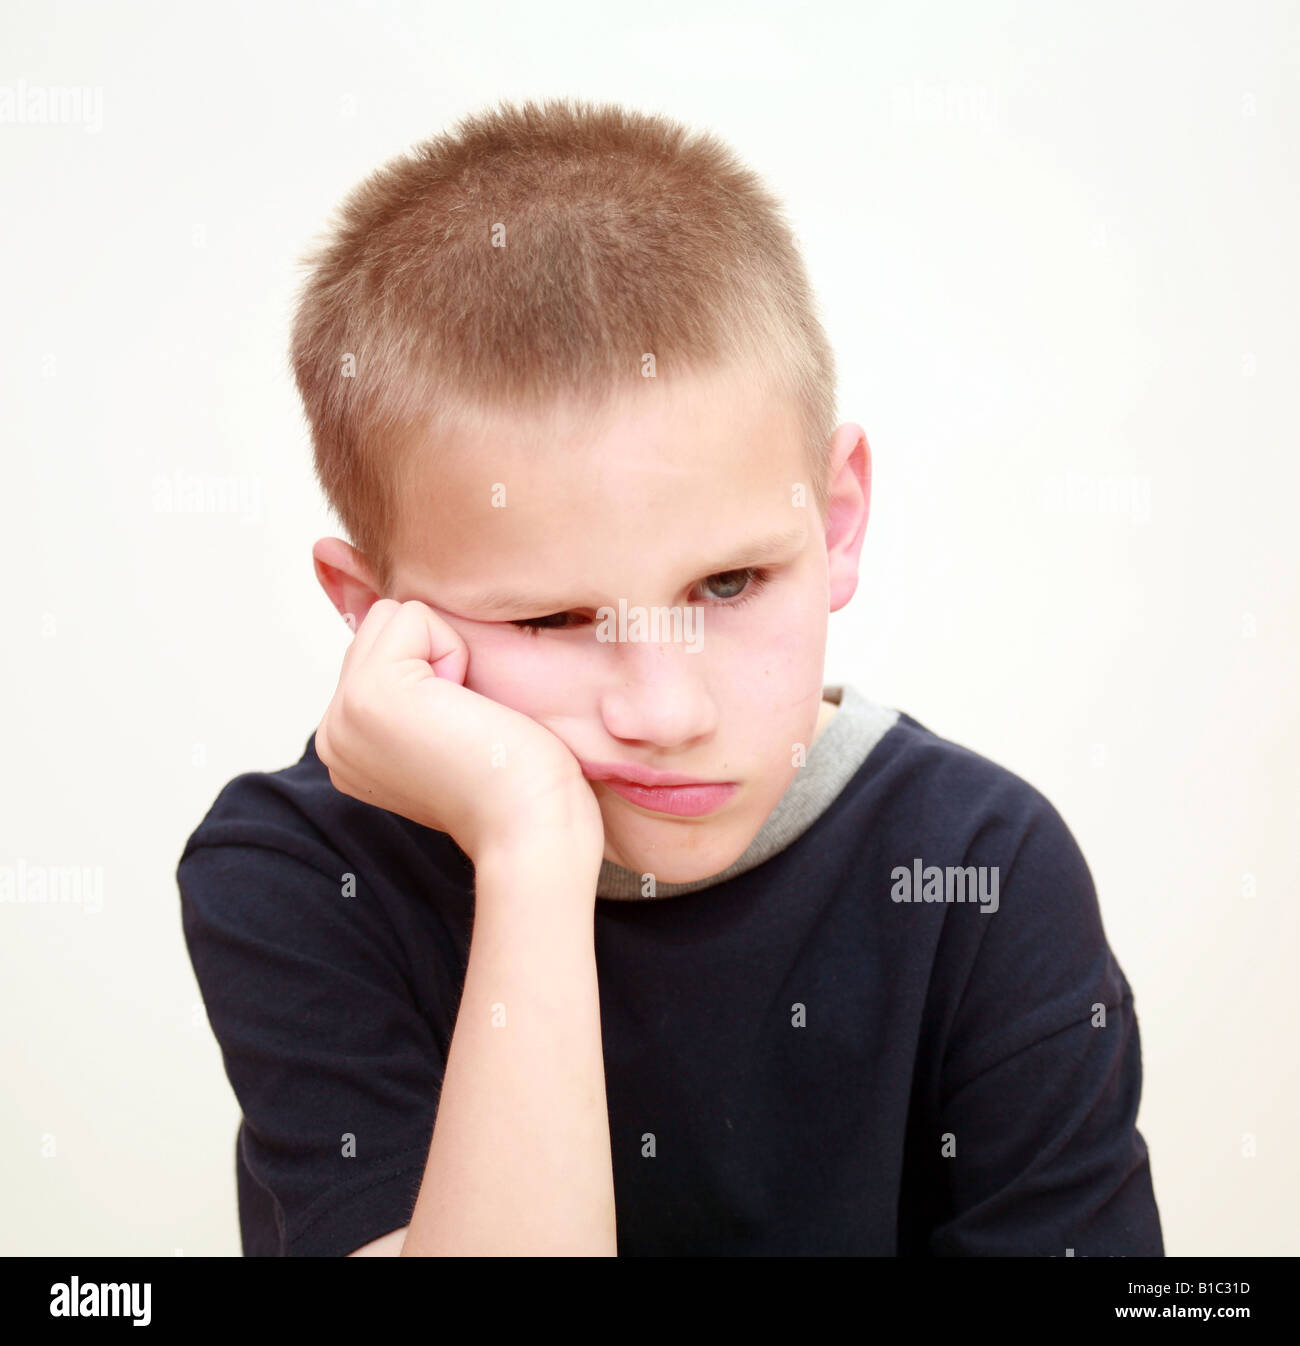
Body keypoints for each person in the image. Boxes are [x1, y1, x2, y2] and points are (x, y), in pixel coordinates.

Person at [177, 97, 1163, 1257]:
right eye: (552, 615)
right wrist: (532, 844)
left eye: (732, 583)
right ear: (368, 613)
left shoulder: (978, 871)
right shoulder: (300, 876)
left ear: (837, 520)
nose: (667, 709)